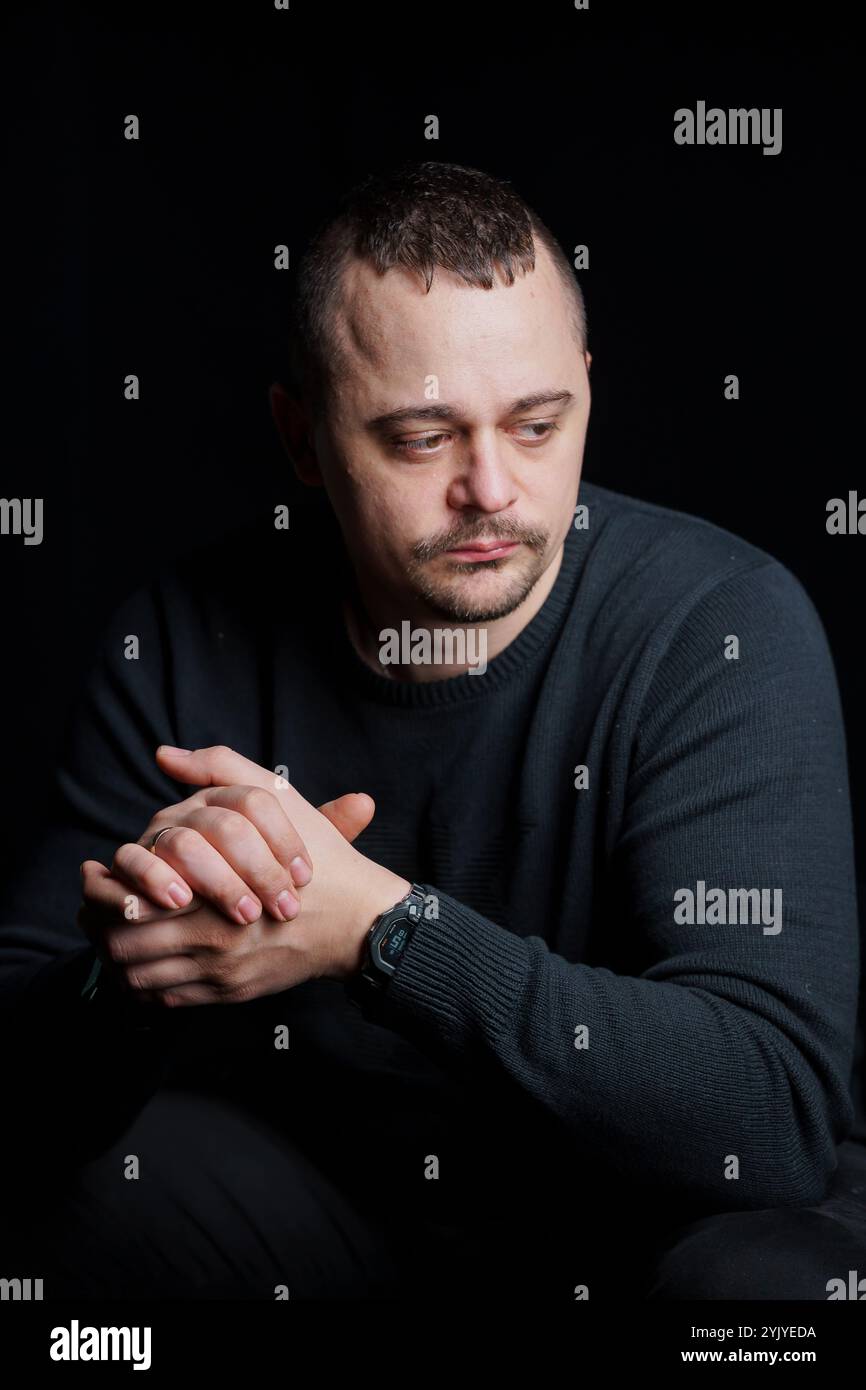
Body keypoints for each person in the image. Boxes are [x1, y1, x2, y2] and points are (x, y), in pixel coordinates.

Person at [2, 160, 865, 1301]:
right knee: (68, 1203)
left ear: (587, 394)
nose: (493, 489)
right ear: (301, 440)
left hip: (655, 1234)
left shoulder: (720, 625)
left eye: (537, 423)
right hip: (346, 1223)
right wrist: (145, 962)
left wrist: (383, 933)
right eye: (420, 439)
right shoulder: (179, 639)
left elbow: (771, 1109)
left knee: (766, 1302)